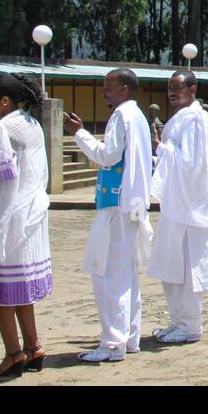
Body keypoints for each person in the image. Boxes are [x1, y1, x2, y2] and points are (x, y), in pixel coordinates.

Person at [65, 69, 154, 364]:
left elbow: (109, 156)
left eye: (108, 87)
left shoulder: (121, 116)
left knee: (108, 275)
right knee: (125, 274)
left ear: (124, 89)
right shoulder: (137, 115)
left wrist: (79, 134)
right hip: (129, 203)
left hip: (117, 203)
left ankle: (112, 344)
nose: (104, 91)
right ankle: (127, 337)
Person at [0, 72, 52, 377]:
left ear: (5, 101)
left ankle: (13, 352)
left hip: (8, 215)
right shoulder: (32, 123)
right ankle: (33, 344)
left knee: (1, 291)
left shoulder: (0, 129)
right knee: (21, 290)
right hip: (33, 211)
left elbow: (0, 177)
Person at [148, 70, 208, 344]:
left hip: (192, 208)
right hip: (175, 205)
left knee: (191, 267)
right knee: (171, 266)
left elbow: (193, 164)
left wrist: (161, 148)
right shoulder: (181, 118)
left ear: (192, 89)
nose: (172, 93)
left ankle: (192, 325)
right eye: (169, 87)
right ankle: (177, 320)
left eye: (177, 87)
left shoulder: (196, 119)